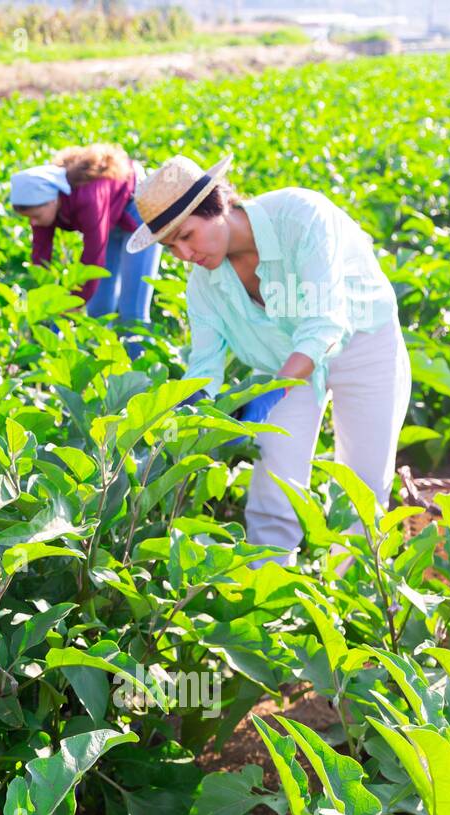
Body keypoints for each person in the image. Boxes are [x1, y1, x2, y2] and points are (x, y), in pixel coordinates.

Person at [126, 154, 411, 562]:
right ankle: (270, 598)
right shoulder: (204, 283)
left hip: (362, 345)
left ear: (217, 206)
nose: (184, 254)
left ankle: (354, 597)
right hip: (282, 363)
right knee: (274, 483)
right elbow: (204, 367)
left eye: (187, 235)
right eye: (171, 247)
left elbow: (324, 325)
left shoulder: (300, 216)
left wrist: (267, 396)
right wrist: (193, 414)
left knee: (362, 484)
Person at [9, 144, 162, 347]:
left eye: (36, 216)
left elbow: (93, 257)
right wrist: (45, 302)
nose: (33, 223)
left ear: (52, 201)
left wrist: (73, 303)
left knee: (132, 311)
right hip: (110, 220)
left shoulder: (88, 198)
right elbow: (40, 257)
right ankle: (104, 366)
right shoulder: (42, 210)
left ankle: (142, 374)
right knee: (99, 309)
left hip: (137, 211)